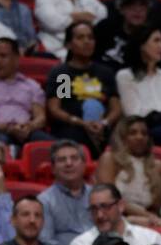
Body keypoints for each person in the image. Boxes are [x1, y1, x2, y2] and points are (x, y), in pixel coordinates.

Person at [45, 21, 120, 155]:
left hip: (102, 126)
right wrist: (82, 123)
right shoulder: (64, 74)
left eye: (90, 38)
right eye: (80, 38)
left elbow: (115, 108)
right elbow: (55, 109)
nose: (87, 42)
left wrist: (104, 123)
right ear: (69, 44)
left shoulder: (105, 73)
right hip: (73, 128)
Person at [67, 184, 161, 245]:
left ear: (121, 206)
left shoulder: (151, 239)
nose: (99, 215)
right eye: (94, 209)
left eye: (105, 206)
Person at [0, 38, 50, 150]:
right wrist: (9, 129)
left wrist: (29, 126)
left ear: (16, 59)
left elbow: (41, 117)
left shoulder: (31, 85)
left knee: (55, 147)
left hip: (26, 131)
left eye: (3, 56)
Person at [38, 141, 94, 245]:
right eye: (62, 160)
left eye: (74, 158)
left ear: (84, 165)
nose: (69, 163)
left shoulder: (97, 195)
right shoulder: (44, 201)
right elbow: (45, 241)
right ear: (53, 169)